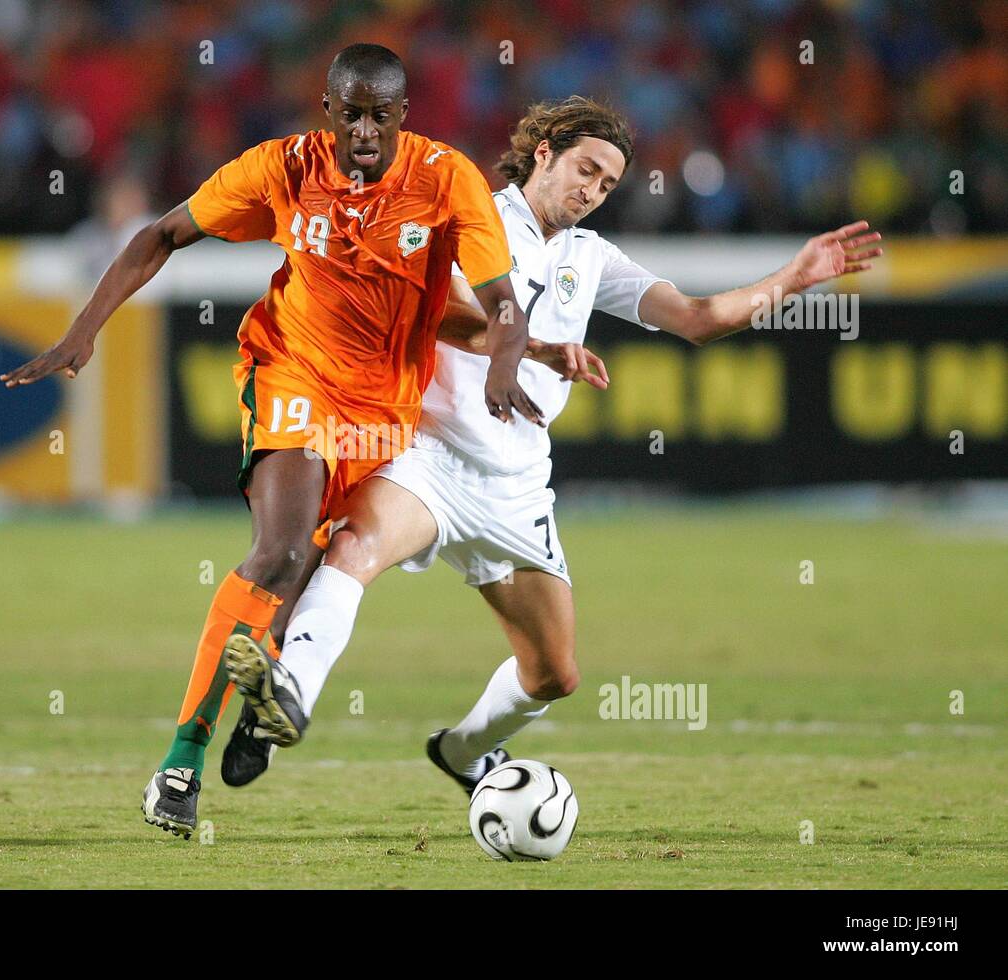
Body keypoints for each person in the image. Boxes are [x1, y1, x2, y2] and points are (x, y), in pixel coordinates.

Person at [221, 94, 883, 792]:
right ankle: (287, 693)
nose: (592, 192)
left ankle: (462, 751)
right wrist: (531, 347)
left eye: (606, 184)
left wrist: (794, 277)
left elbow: (697, 318)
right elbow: (425, 309)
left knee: (554, 673)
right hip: (431, 454)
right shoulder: (466, 212)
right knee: (353, 548)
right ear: (544, 153)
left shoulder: (591, 257)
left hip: (516, 488)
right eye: (585, 170)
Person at [0, 44, 557, 838]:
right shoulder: (280, 171)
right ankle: (179, 765)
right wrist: (84, 331)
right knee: (282, 550)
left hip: (383, 413)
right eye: (351, 113)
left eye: (381, 115)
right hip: (293, 373)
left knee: (304, 575)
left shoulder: (446, 180)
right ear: (327, 111)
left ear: (404, 115)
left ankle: (262, 713)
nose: (365, 130)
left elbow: (500, 302)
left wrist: (511, 358)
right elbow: (161, 234)